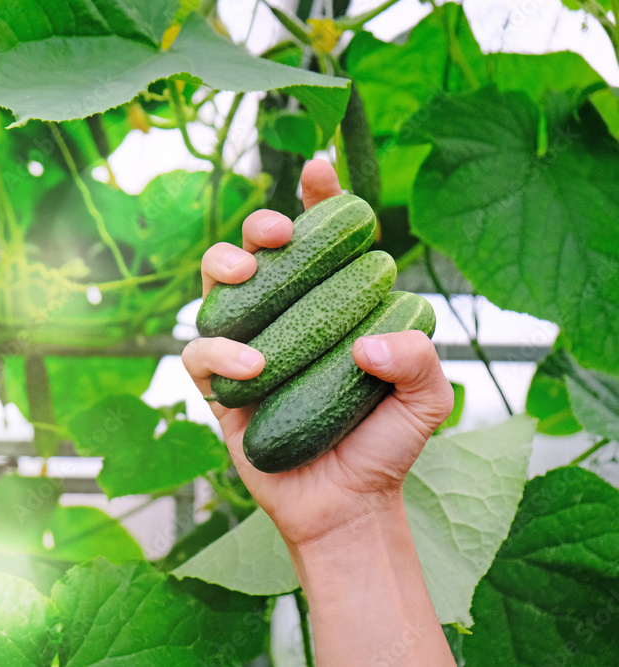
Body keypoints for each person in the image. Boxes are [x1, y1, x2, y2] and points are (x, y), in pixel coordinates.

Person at [182, 160, 457, 666]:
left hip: (305, 438)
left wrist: (351, 523)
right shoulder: (386, 289)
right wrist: (340, 531)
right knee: (236, 322)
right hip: (295, 440)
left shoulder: (395, 300)